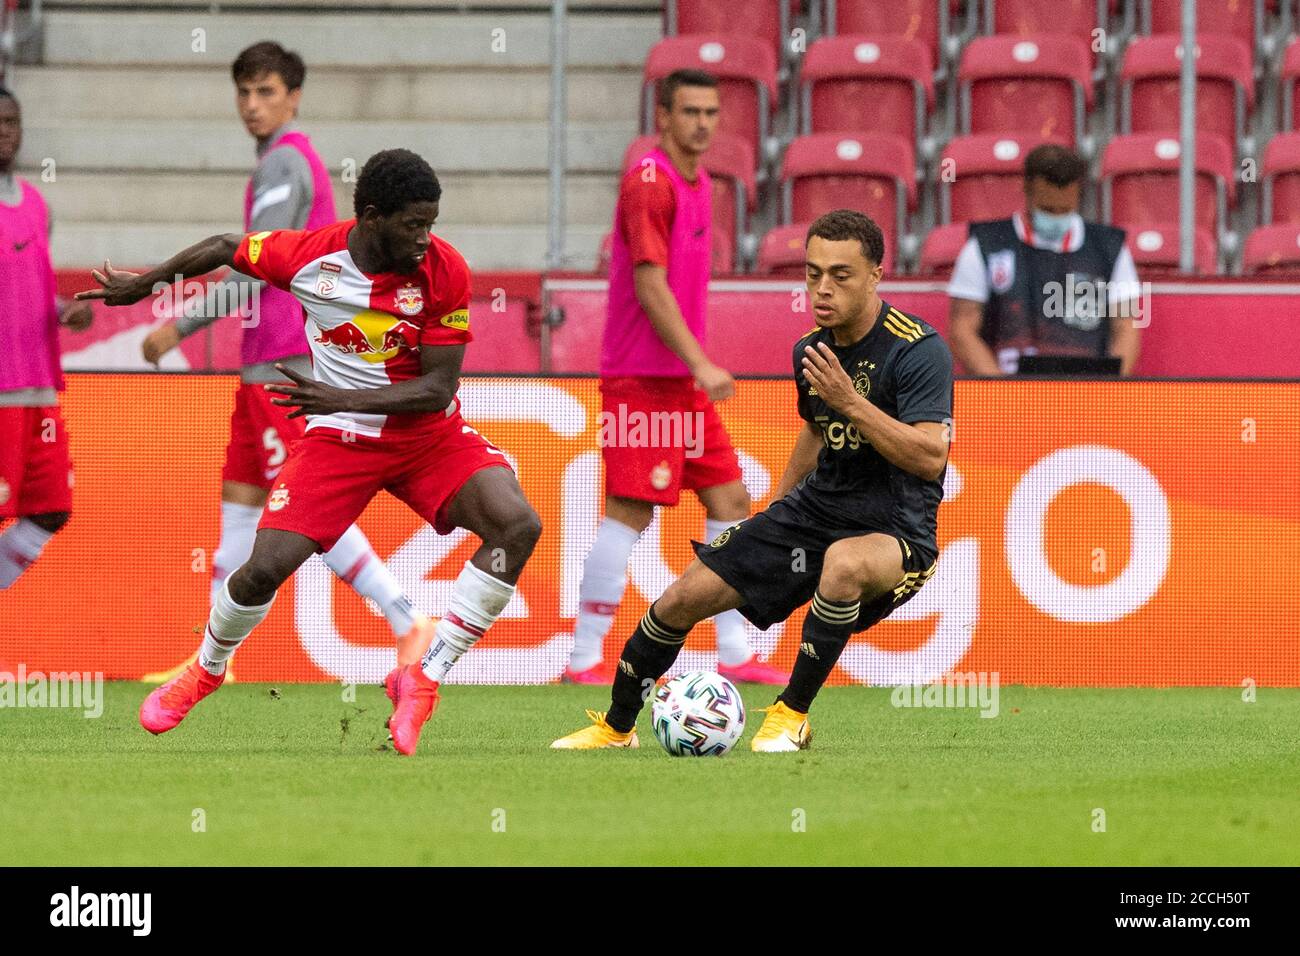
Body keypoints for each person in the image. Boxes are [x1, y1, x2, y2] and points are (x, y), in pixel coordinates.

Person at [78, 149, 542, 756]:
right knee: (262, 569)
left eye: (431, 223)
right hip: (339, 439)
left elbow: (437, 390)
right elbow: (225, 245)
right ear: (372, 217)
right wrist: (146, 285)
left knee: (518, 525)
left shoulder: (444, 270)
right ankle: (207, 670)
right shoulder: (309, 257)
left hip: (427, 435)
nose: (426, 239)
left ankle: (424, 677)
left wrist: (338, 393)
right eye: (413, 225)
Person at [551, 210, 953, 752]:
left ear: (876, 275)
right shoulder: (812, 349)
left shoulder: (918, 349)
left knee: (844, 564)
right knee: (681, 597)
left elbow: (929, 457)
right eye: (812, 274)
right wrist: (775, 514)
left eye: (840, 275)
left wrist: (850, 402)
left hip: (896, 531)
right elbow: (815, 433)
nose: (822, 289)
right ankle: (617, 727)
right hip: (814, 515)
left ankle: (790, 716)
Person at [138, 42, 429, 669]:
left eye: (266, 92)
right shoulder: (288, 162)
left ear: (293, 96)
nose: (252, 105)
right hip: (263, 361)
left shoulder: (284, 166)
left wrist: (177, 327)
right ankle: (212, 658)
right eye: (244, 92)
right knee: (240, 506)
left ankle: (407, 619)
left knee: (311, 502)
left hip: (288, 358)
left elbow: (251, 267)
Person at [562, 68, 786, 686]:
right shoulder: (649, 184)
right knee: (630, 511)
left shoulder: (702, 182)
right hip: (642, 377)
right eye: (690, 112)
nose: (703, 124)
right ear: (663, 116)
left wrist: (694, 371)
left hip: (680, 384)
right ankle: (583, 659)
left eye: (711, 113)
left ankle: (735, 652)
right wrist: (701, 362)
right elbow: (648, 284)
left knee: (731, 501)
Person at [0, 86, 95, 589]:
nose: (5, 132)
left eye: (11, 122)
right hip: (0, 392)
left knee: (53, 508)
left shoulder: (37, 204)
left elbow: (30, 289)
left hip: (38, 387)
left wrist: (63, 312)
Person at [946, 143, 1142, 376]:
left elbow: (1127, 326)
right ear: (1026, 189)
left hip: (1087, 391)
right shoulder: (985, 245)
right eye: (1047, 209)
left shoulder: (1111, 249)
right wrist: (1000, 393)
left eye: (1064, 210)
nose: (1056, 216)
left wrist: (1108, 388)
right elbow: (962, 329)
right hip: (1007, 390)